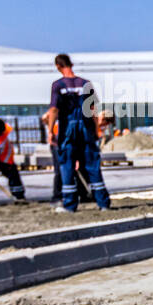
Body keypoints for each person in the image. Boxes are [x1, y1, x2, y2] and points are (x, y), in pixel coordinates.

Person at [42, 54, 110, 212]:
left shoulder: (58, 85)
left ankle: (70, 205)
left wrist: (51, 131)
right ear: (71, 64)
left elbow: (53, 109)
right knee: (92, 165)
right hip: (86, 128)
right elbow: (93, 110)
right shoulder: (86, 84)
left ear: (58, 66)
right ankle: (103, 204)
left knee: (67, 166)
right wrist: (96, 129)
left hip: (68, 130)